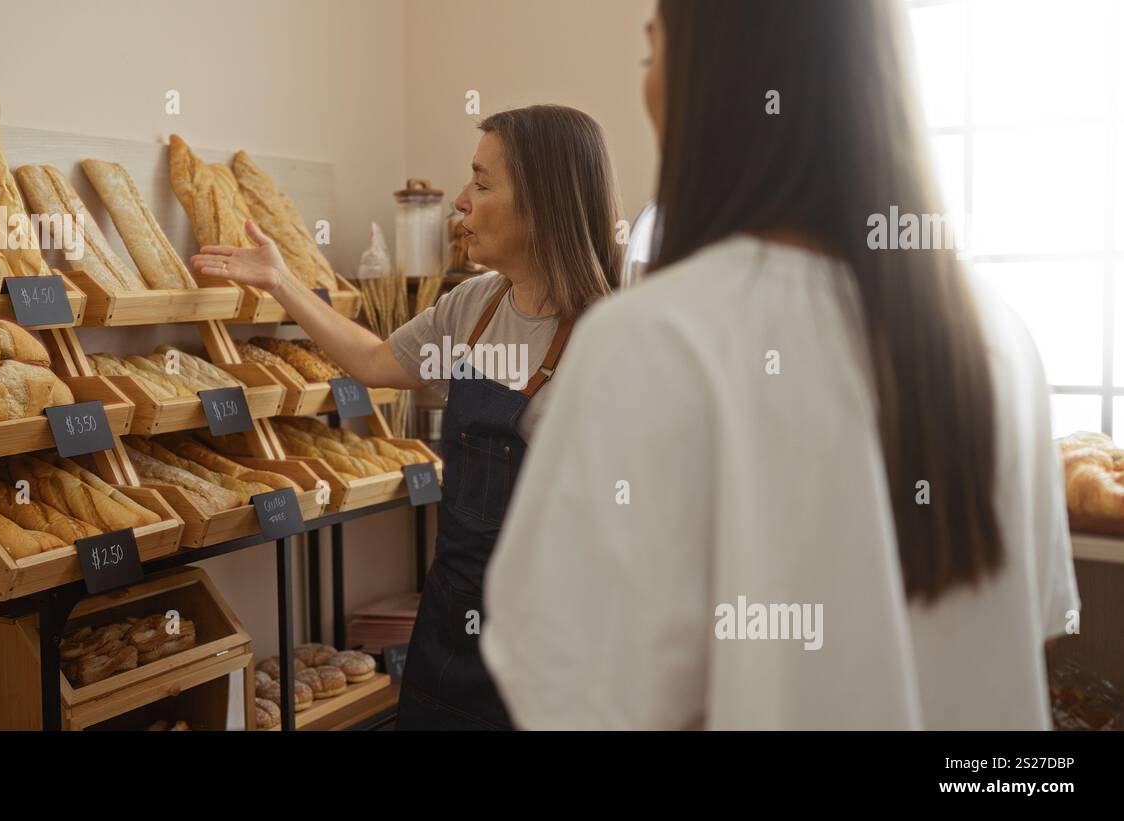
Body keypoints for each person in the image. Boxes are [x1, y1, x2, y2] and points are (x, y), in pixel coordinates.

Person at [482, 0, 1079, 729]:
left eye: (653, 54)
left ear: (715, 79)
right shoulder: (999, 341)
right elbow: (1036, 626)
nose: (649, 86)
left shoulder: (654, 342)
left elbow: (575, 690)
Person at [193, 105, 621, 729]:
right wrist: (282, 283)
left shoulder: (612, 341)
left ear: (542, 202)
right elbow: (371, 359)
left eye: (481, 183)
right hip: (450, 628)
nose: (460, 203)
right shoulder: (472, 307)